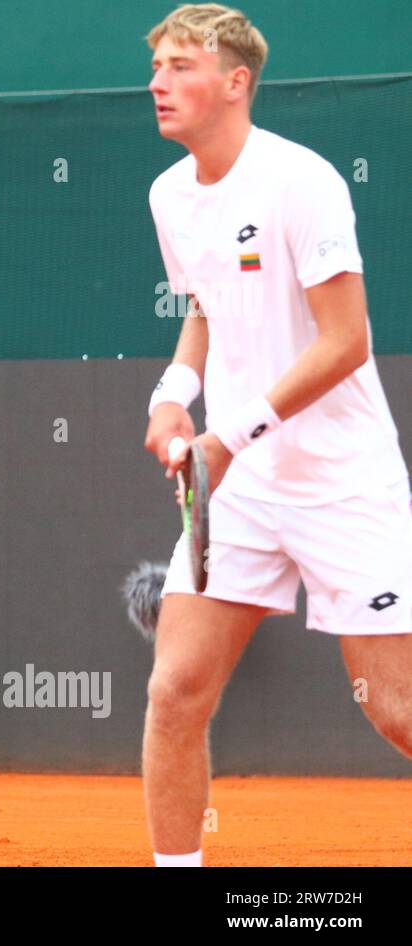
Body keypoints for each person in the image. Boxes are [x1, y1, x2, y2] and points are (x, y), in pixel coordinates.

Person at [142, 4, 412, 867]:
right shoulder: (169, 195)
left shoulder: (303, 182)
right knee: (176, 691)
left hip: (343, 480)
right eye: (156, 66)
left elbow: (348, 342)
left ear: (234, 82)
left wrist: (231, 435)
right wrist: (171, 398)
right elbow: (204, 312)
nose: (158, 83)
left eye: (181, 66)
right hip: (245, 490)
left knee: (396, 710)